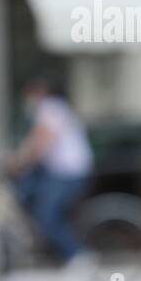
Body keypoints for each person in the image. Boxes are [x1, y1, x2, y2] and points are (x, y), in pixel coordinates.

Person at [7, 77, 94, 264]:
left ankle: (78, 256)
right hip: (61, 171)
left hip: (67, 172)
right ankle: (48, 249)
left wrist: (19, 163)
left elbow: (42, 143)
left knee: (46, 215)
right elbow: (33, 142)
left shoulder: (50, 108)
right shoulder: (52, 109)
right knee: (30, 196)